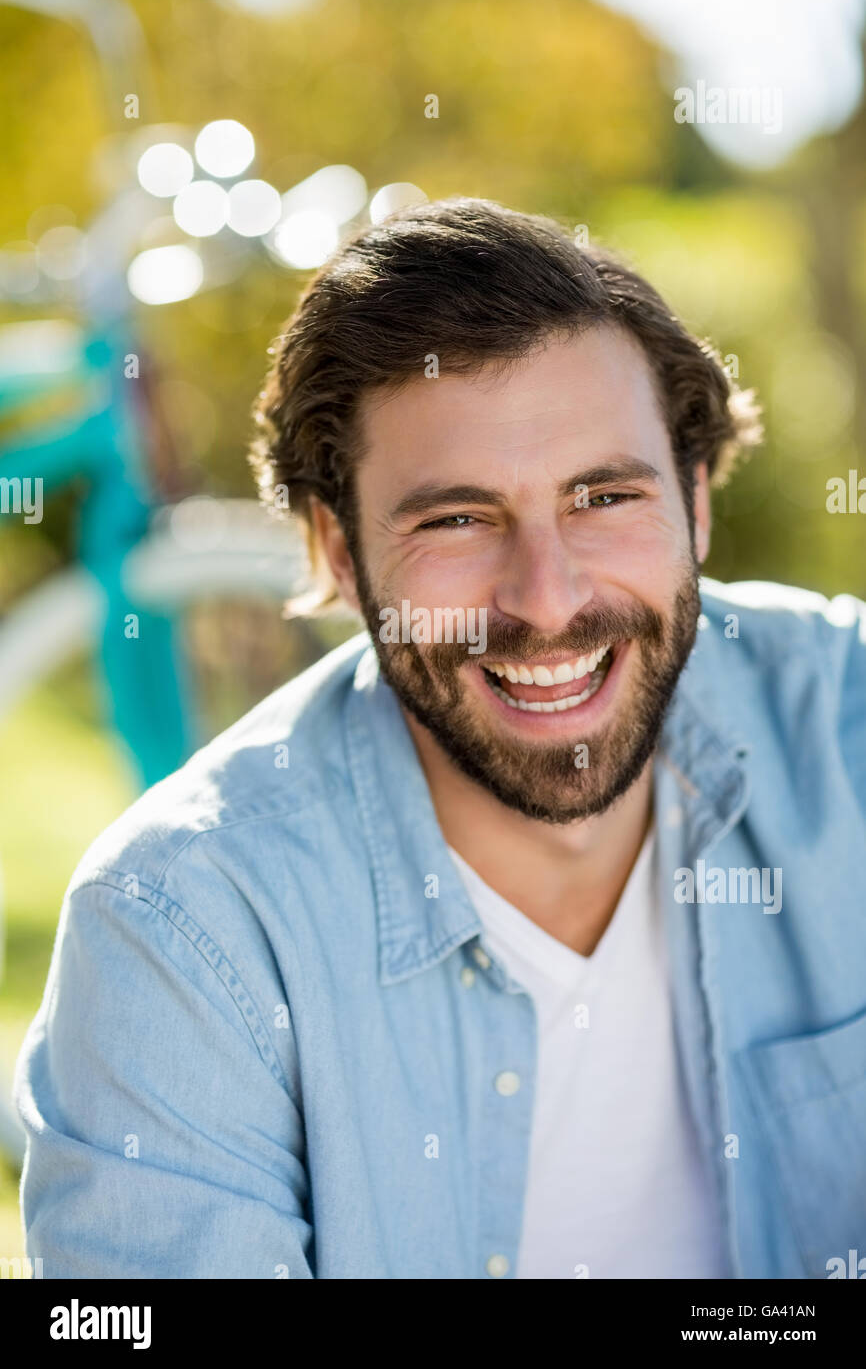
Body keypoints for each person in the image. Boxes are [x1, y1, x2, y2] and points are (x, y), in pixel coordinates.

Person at [15, 198, 866, 1280]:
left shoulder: (845, 727)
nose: (545, 600)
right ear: (335, 546)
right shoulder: (179, 935)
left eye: (603, 496)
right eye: (454, 519)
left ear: (693, 505)